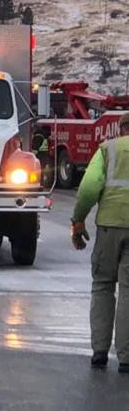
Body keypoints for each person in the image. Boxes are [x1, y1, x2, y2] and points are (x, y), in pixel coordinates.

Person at [71, 112, 129, 374]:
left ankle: (100, 352)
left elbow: (88, 188)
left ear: (120, 128)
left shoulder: (108, 150)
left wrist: (78, 221)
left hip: (108, 228)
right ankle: (126, 357)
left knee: (103, 286)